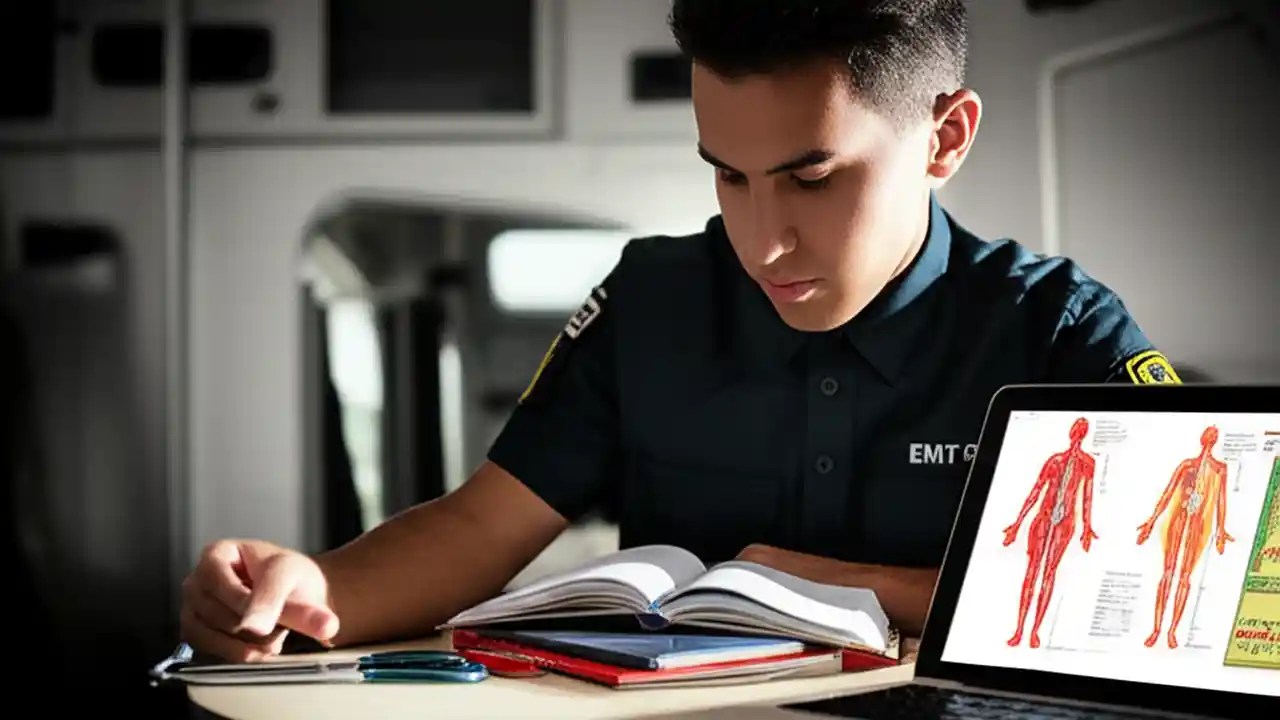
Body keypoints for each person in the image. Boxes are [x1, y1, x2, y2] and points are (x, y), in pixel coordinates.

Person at [179, 0, 1181, 662]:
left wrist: (845, 589)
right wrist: (311, 587)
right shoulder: (650, 301)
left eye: (810, 178)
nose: (764, 241)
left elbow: (1182, 607)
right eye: (727, 175)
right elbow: (479, 526)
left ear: (945, 137)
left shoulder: (1056, 328)